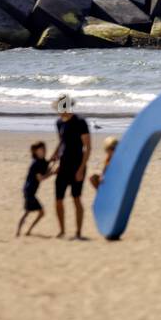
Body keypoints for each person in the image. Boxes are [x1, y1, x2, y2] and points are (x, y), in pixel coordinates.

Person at [49, 95, 91, 239]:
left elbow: (88, 147)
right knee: (58, 199)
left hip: (77, 166)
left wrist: (81, 169)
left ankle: (78, 233)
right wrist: (54, 156)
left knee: (76, 198)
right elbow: (62, 143)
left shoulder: (80, 122)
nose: (59, 110)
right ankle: (62, 231)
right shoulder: (59, 123)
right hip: (63, 166)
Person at [17, 141, 54, 236]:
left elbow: (47, 165)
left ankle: (23, 232)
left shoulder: (42, 161)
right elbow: (41, 178)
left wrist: (52, 162)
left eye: (45, 149)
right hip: (29, 191)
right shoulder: (36, 164)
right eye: (42, 149)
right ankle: (21, 232)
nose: (44, 151)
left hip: (30, 191)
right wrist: (53, 173)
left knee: (30, 212)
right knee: (36, 213)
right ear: (36, 151)